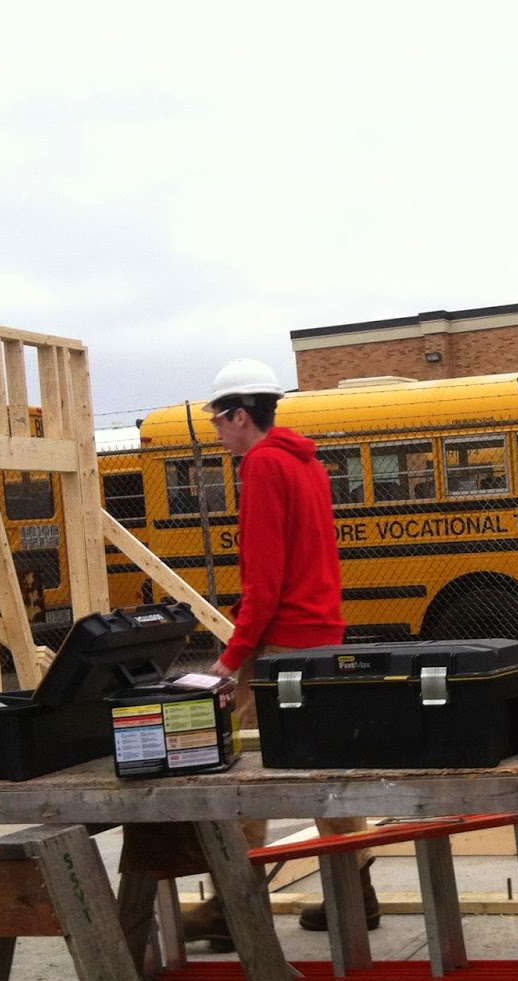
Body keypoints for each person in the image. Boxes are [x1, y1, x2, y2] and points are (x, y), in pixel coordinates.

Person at [185, 357, 379, 942]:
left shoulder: (264, 466)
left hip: (279, 643)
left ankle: (233, 905)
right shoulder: (307, 463)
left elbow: (263, 581)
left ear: (240, 415)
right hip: (320, 635)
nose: (216, 431)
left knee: (244, 767)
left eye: (218, 419)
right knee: (323, 766)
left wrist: (231, 658)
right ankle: (355, 892)